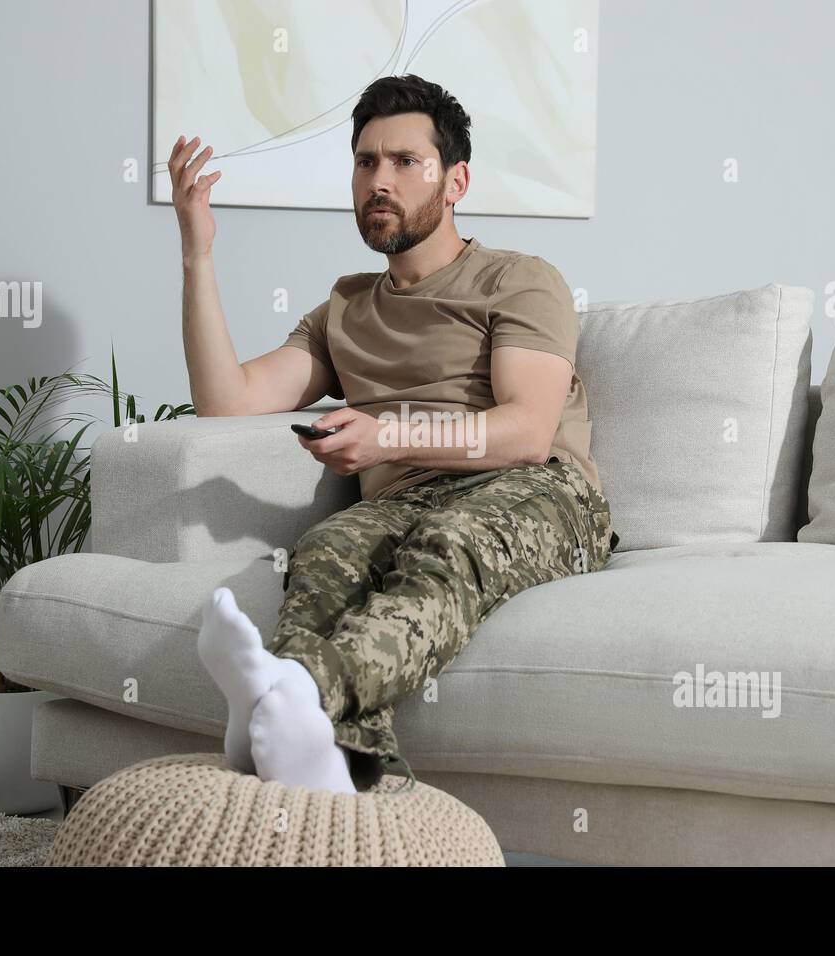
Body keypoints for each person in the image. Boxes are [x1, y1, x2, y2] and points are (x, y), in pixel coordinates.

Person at [173, 74, 619, 794]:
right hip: (401, 502)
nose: (379, 181)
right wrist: (197, 254)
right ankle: (340, 771)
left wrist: (386, 438)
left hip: (535, 492)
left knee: (449, 543)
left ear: (455, 180)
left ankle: (286, 695)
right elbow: (227, 402)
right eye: (365, 162)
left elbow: (527, 432)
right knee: (322, 553)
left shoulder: (519, 279)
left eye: (405, 162)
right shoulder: (344, 308)